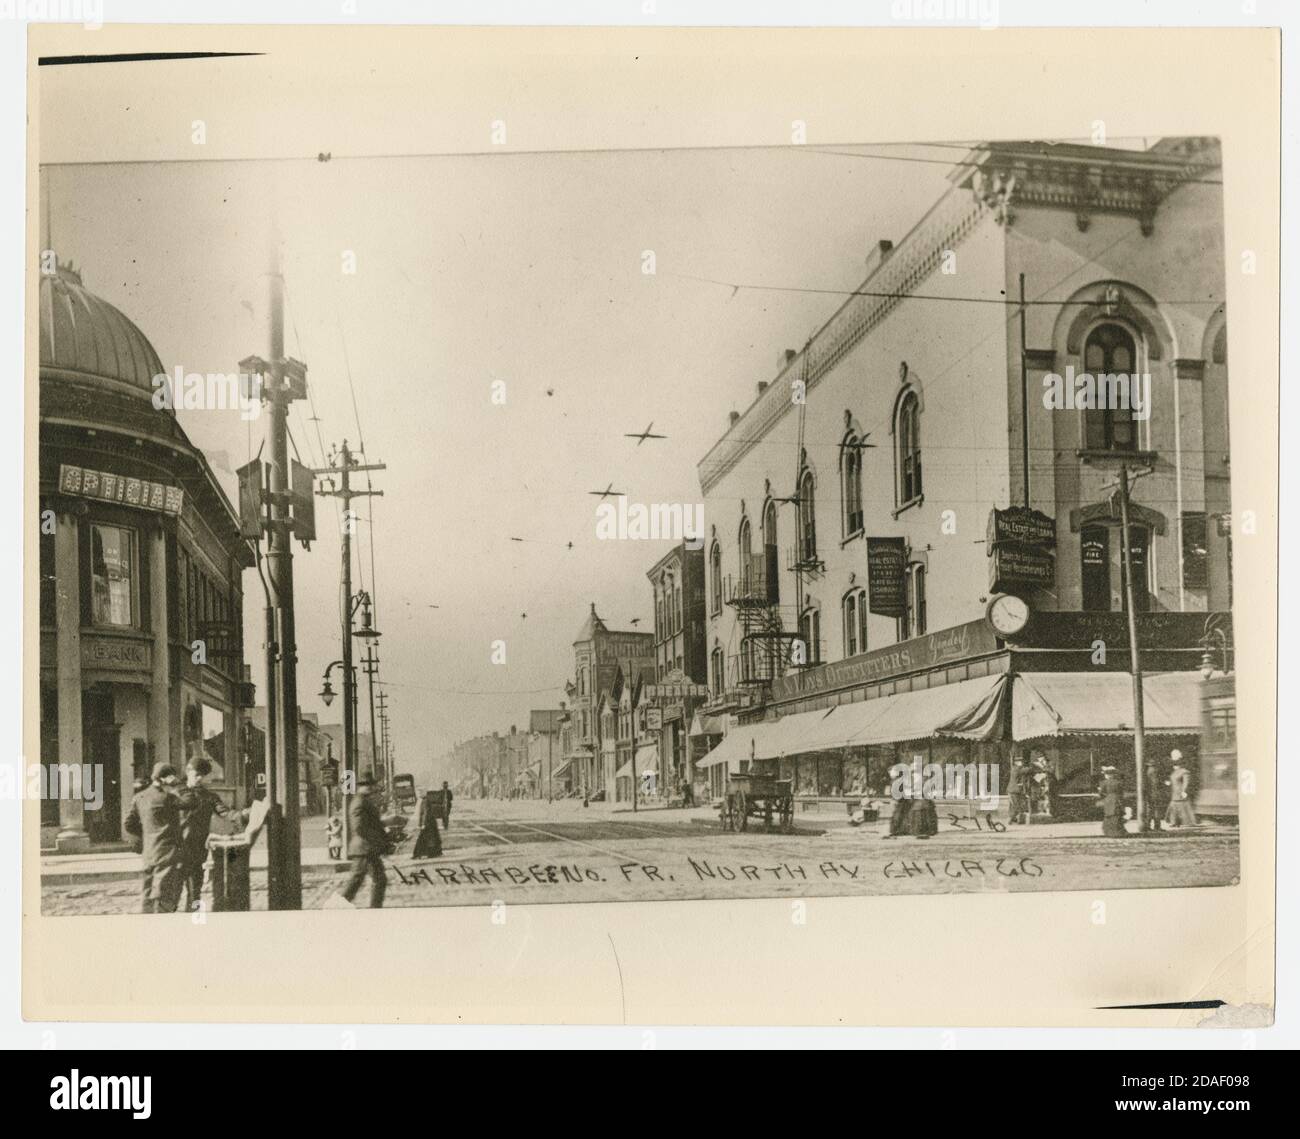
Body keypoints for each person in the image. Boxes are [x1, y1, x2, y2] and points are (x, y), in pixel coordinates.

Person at [123, 763, 184, 914]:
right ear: (163, 778)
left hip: (149, 852)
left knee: (147, 894)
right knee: (165, 895)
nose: (173, 779)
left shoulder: (139, 797)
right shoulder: (169, 798)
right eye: (171, 776)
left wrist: (146, 835)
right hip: (167, 853)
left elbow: (128, 824)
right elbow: (191, 803)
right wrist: (181, 787)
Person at [176, 757, 235, 912]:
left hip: (197, 850)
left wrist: (246, 814)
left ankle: (195, 923)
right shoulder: (176, 794)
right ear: (188, 772)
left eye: (202, 775)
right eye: (196, 774)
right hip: (176, 849)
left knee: (195, 892)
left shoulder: (210, 797)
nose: (199, 778)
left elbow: (225, 813)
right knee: (171, 893)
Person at [339, 773, 391, 908]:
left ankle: (374, 908)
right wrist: (378, 841)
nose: (370, 787)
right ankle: (338, 907)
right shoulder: (359, 802)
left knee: (373, 880)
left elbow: (373, 824)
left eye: (370, 785)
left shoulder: (364, 801)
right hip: (364, 848)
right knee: (360, 881)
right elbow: (359, 827)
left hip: (367, 849)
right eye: (365, 785)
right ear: (360, 787)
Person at [1165, 751, 1199, 828]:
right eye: (1174, 764)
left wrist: (1184, 791)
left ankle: (1187, 822)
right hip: (1174, 792)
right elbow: (1172, 780)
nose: (1174, 765)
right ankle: (1174, 821)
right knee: (1174, 806)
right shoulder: (1174, 772)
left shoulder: (1184, 772)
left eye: (1176, 764)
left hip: (1180, 793)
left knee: (1182, 806)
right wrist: (1169, 783)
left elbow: (1186, 782)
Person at [1097, 764, 1127, 837]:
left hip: (1108, 800)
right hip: (1117, 799)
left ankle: (1110, 832)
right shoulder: (1118, 782)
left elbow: (1101, 793)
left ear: (1107, 775)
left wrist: (1100, 792)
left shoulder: (1104, 783)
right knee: (1117, 815)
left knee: (1109, 816)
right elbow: (1122, 792)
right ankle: (1119, 831)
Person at [412, 790, 444, 859]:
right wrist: (420, 824)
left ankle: (418, 854)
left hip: (428, 823)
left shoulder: (425, 801)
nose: (418, 794)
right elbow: (421, 814)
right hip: (430, 823)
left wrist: (423, 824)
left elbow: (425, 813)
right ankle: (432, 853)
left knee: (423, 839)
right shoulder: (423, 801)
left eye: (420, 793)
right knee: (431, 838)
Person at [1143, 760, 1165, 833]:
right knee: (1156, 810)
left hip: (1150, 792)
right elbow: (1156, 782)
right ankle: (1157, 826)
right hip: (1154, 792)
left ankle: (1147, 826)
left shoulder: (1148, 771)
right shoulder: (1154, 771)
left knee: (1149, 810)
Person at [1007, 757, 1030, 825]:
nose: (1022, 763)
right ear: (1017, 762)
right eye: (1020, 762)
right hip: (1014, 790)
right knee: (1016, 805)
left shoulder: (1014, 768)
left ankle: (1013, 819)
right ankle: (1011, 820)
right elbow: (1026, 770)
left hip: (1012, 790)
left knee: (1013, 805)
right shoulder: (1017, 769)